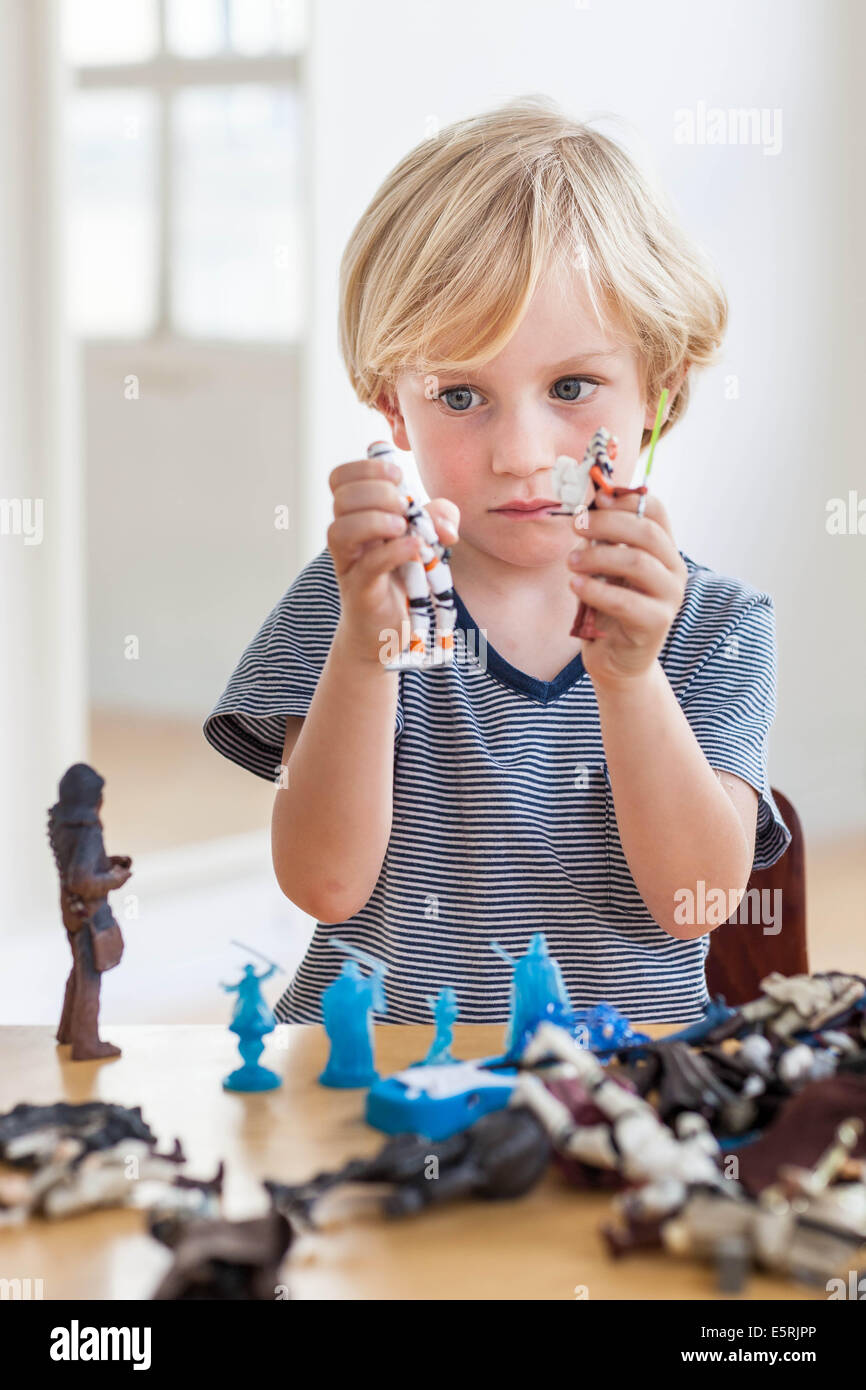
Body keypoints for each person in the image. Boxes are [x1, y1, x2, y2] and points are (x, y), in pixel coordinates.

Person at [204, 98, 791, 1027]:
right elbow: (323, 885)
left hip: (617, 1090)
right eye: (463, 394)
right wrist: (364, 653)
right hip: (371, 1087)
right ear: (392, 410)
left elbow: (697, 900)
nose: (522, 452)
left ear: (660, 386)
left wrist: (632, 678)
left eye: (571, 387)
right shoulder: (357, 594)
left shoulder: (714, 624)